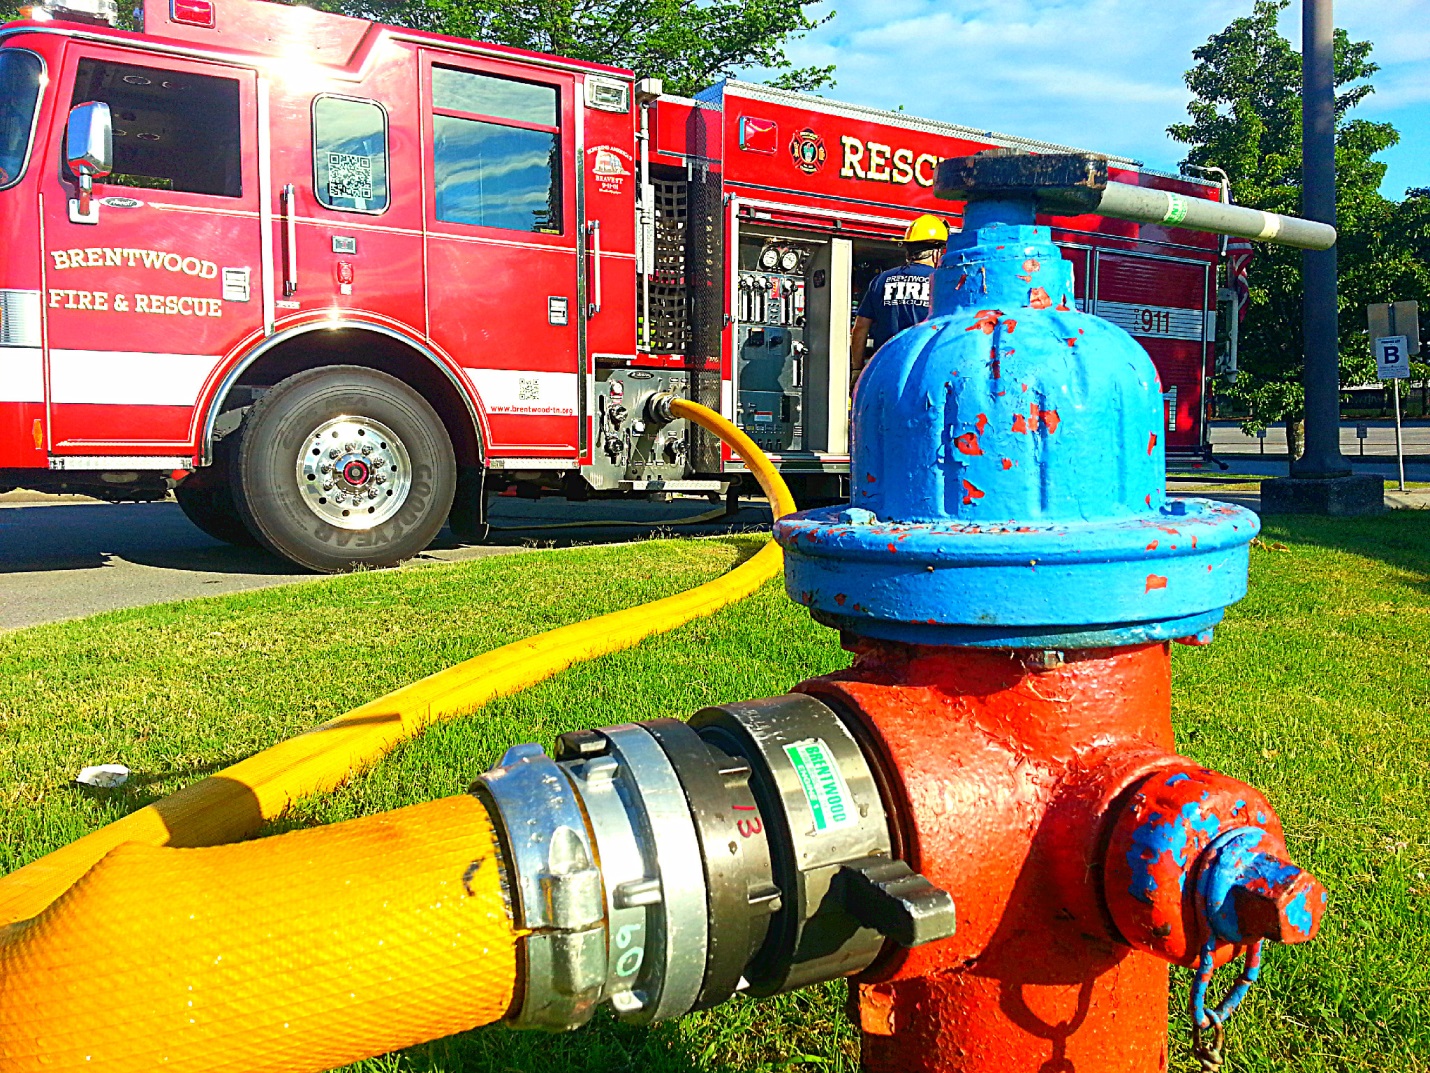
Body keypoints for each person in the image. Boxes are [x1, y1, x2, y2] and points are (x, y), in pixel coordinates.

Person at [849, 214, 949, 380]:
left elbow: (860, 328)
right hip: (924, 370)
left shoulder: (881, 281)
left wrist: (857, 370)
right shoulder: (942, 281)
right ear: (936, 253)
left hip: (883, 370)